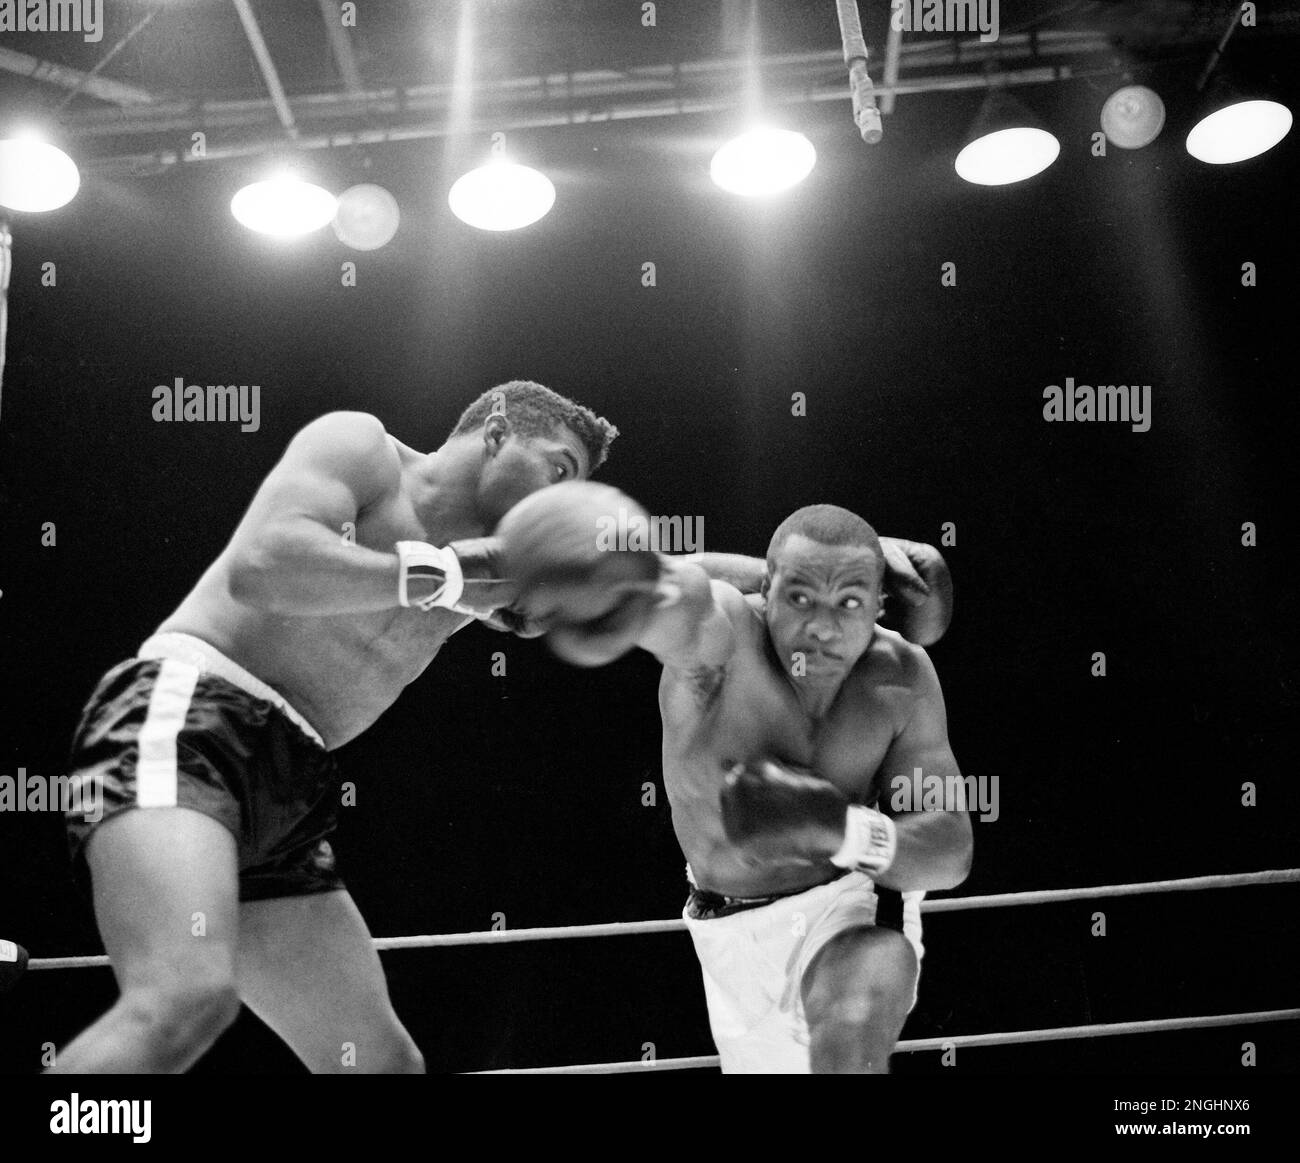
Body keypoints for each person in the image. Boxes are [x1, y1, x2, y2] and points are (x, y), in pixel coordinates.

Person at [53, 380, 622, 1074]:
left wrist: (772, 582)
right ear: (497, 430)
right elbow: (263, 567)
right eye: (556, 468)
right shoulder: (364, 450)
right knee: (183, 999)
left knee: (378, 1065)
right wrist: (437, 573)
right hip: (191, 718)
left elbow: (653, 578)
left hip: (291, 787)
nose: (558, 501)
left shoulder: (488, 574)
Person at [556, 501, 970, 1073]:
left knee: (865, 990)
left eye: (850, 602)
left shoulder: (903, 675)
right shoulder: (722, 633)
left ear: (880, 605)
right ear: (765, 586)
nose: (822, 628)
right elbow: (653, 589)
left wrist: (841, 830)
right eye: (800, 598)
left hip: (845, 913)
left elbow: (952, 849)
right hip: (725, 938)